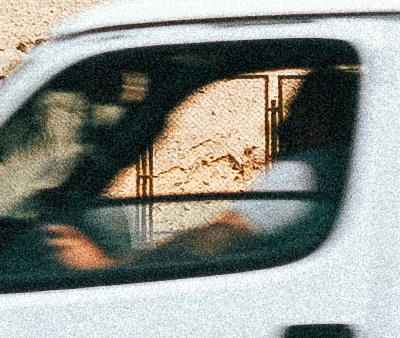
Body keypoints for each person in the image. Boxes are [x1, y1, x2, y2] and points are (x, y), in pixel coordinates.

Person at [32, 66, 355, 278]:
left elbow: (218, 239)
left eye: (297, 108)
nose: (285, 120)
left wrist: (108, 269)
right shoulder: (344, 169)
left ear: (317, 115)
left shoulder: (301, 174)